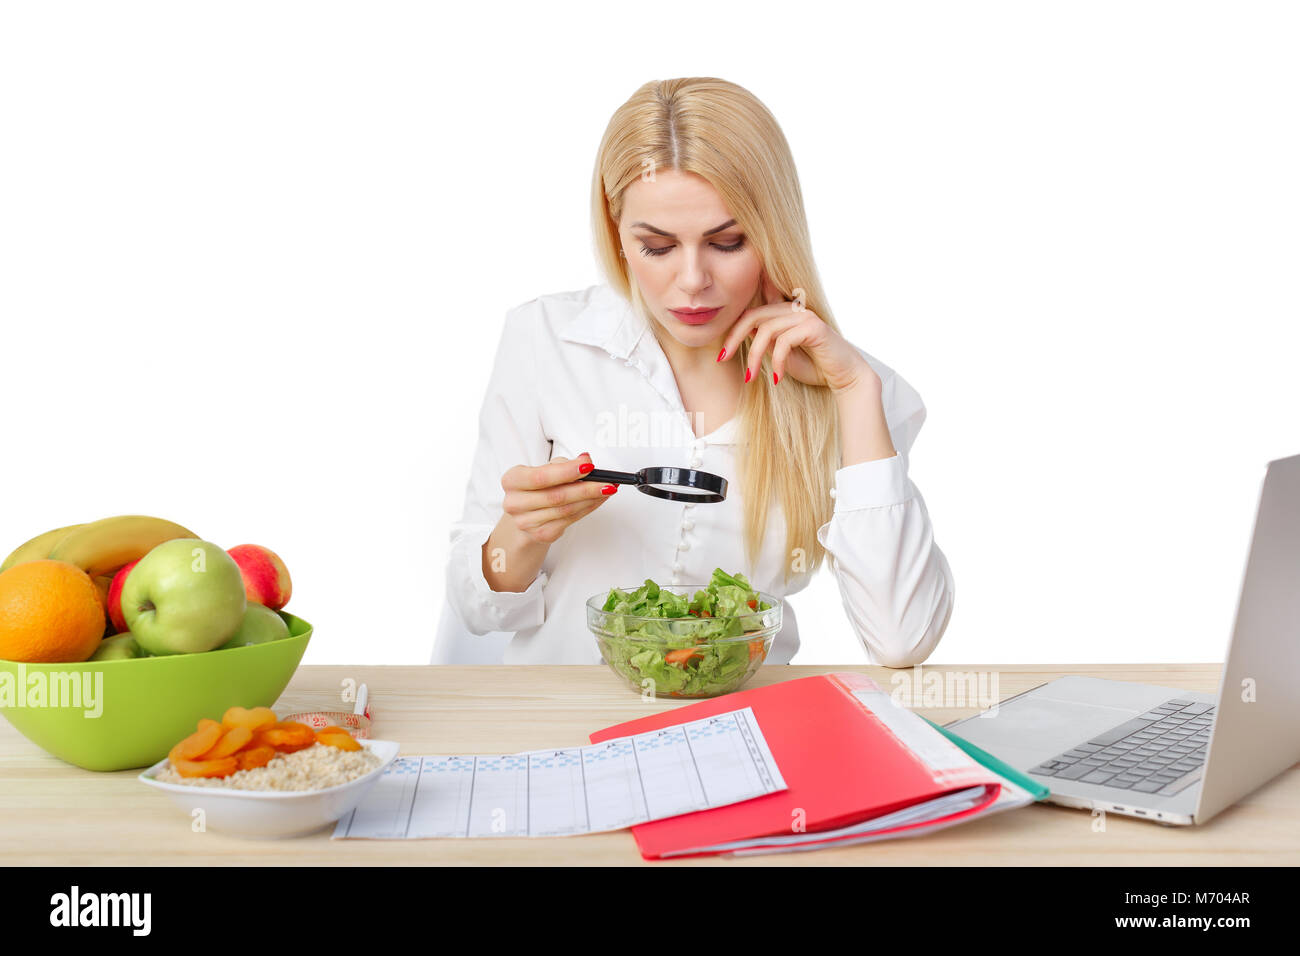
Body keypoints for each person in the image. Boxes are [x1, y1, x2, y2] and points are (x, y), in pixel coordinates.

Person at [433, 77, 954, 667]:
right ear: (617, 235)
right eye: (656, 247)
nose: (692, 281)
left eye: (728, 242)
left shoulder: (854, 385)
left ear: (774, 233)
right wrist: (521, 534)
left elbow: (902, 640)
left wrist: (856, 393)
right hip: (564, 717)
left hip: (744, 722)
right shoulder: (546, 341)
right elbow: (476, 609)